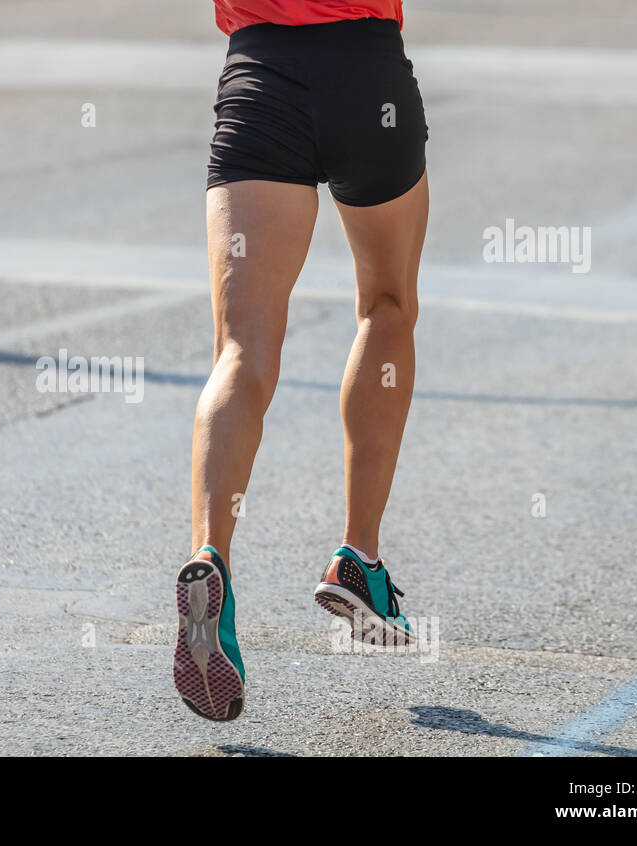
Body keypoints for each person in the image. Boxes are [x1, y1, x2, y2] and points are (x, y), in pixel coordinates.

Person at [174, 0, 429, 721]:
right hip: (367, 74)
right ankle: (360, 558)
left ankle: (211, 557)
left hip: (261, 79)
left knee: (241, 349)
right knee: (386, 304)